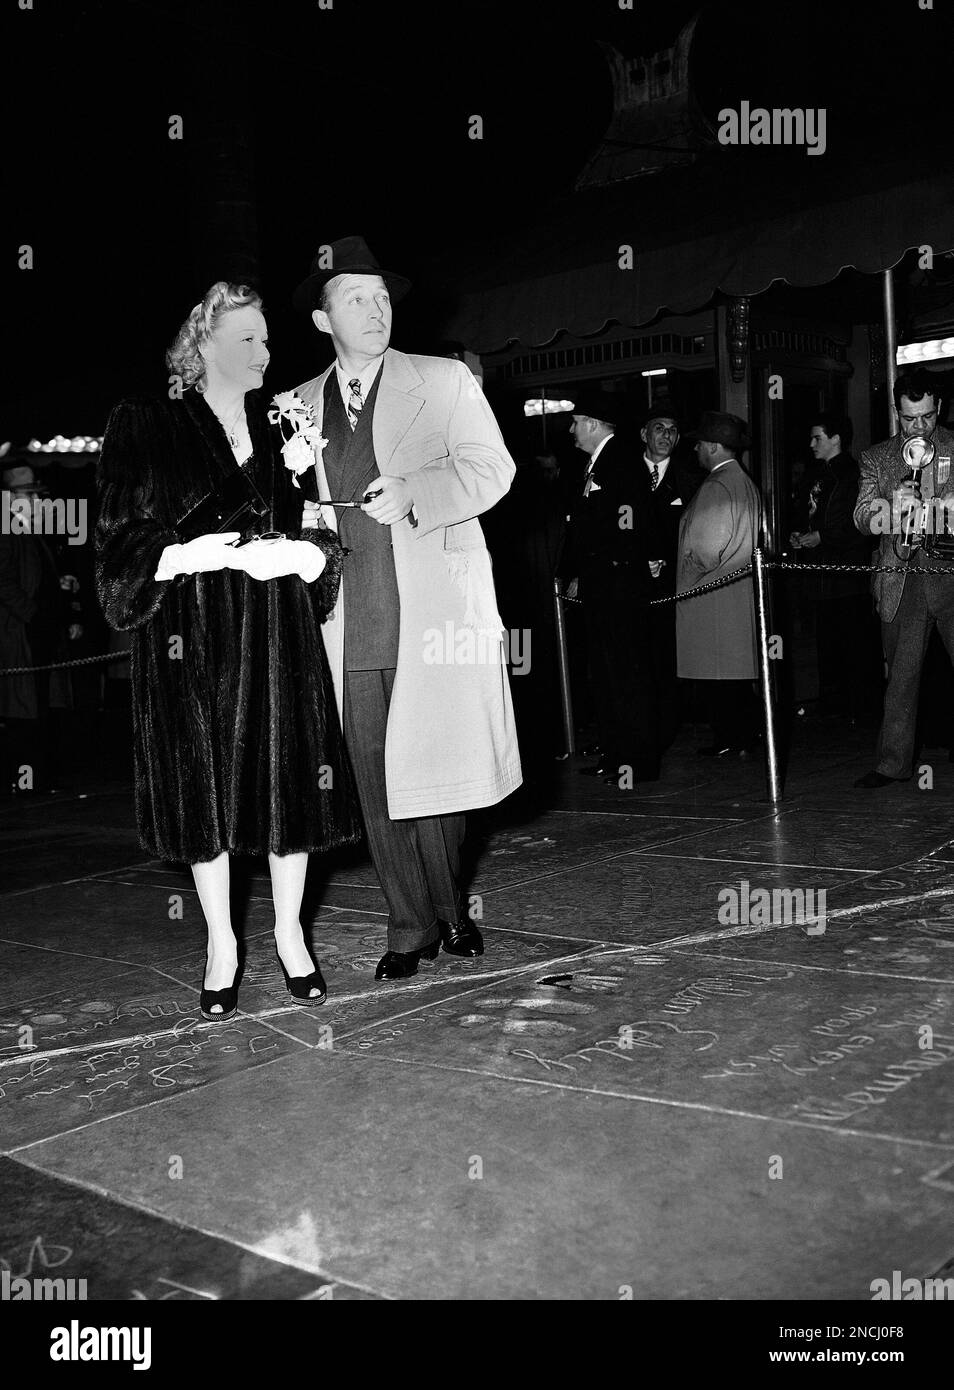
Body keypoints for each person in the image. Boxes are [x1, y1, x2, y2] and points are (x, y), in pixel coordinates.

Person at [95, 281, 361, 1019]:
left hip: (276, 628)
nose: (265, 353)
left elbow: (315, 528)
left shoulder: (282, 425)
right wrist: (181, 555)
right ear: (203, 342)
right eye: (248, 338)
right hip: (190, 631)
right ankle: (221, 943)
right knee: (201, 791)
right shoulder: (144, 423)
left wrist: (310, 558)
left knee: (290, 787)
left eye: (268, 341)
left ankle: (289, 934)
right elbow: (116, 543)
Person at [292, 236, 521, 982]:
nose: (375, 309)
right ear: (323, 319)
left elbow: (494, 467)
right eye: (355, 298)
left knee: (440, 767)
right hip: (347, 616)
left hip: (432, 608)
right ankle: (409, 923)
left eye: (382, 296)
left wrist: (417, 490)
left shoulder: (443, 378)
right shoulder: (293, 406)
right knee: (373, 774)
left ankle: (451, 905)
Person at [853, 368, 954, 788]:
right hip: (903, 580)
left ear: (939, 408)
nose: (920, 426)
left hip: (950, 577)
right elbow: (861, 518)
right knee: (902, 677)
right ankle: (892, 764)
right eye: (910, 418)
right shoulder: (876, 457)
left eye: (928, 417)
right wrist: (893, 507)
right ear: (896, 412)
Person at [563, 388, 658, 787]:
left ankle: (634, 761)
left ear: (592, 424)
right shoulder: (599, 463)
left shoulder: (619, 461)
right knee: (607, 673)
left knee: (624, 673)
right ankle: (616, 754)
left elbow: (627, 522)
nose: (571, 430)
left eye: (575, 422)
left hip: (617, 584)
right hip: (604, 583)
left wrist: (614, 564)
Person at [676, 411, 762, 756]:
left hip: (711, 597)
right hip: (735, 594)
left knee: (719, 677)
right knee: (733, 676)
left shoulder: (717, 485)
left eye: (700, 443)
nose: (696, 449)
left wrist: (687, 579)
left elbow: (707, 549)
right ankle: (741, 737)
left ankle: (730, 739)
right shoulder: (743, 481)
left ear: (713, 446)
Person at [789, 413, 876, 718]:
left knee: (850, 641)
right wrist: (801, 533)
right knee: (828, 643)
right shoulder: (818, 474)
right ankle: (835, 703)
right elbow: (809, 513)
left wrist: (822, 537)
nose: (812, 444)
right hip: (824, 575)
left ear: (835, 439)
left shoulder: (853, 474)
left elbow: (861, 525)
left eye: (818, 438)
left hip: (846, 575)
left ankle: (856, 706)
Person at [0, 459, 76, 795]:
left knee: (41, 706)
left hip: (39, 631)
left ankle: (38, 778)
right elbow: (4, 583)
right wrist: (32, 615)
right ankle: (25, 780)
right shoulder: (7, 529)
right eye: (28, 495)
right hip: (22, 632)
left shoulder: (31, 530)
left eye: (36, 494)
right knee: (23, 711)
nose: (36, 501)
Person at [638, 400, 702, 752]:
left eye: (672, 430)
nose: (666, 435)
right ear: (644, 434)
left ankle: (666, 727)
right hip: (631, 584)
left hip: (671, 585)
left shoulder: (690, 479)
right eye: (659, 428)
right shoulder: (624, 474)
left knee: (666, 657)